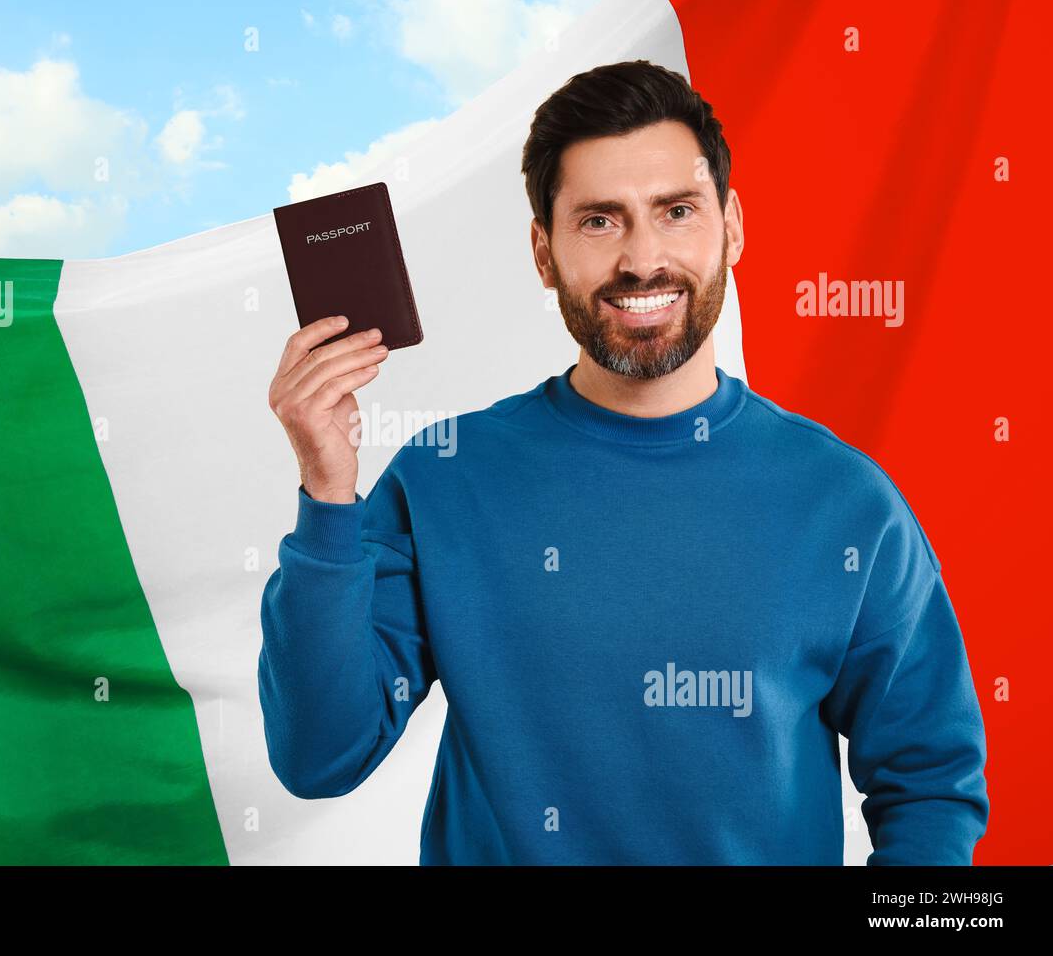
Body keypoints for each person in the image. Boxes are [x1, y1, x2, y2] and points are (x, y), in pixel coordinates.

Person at [258, 59, 989, 865]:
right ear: (544, 252)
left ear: (732, 226)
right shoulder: (444, 476)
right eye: (599, 220)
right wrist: (327, 493)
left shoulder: (847, 503)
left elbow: (931, 783)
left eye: (676, 211)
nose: (643, 259)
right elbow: (319, 756)